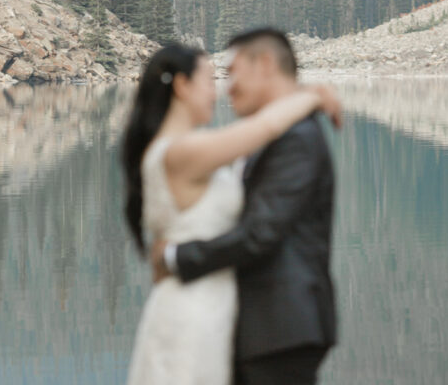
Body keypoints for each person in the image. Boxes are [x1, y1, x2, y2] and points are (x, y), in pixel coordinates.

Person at [122, 36, 341, 385]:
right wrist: (311, 96)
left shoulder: (188, 149)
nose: (219, 91)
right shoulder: (185, 151)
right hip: (196, 310)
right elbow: (264, 128)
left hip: (216, 308)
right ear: (181, 86)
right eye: (211, 81)